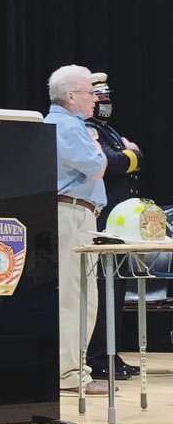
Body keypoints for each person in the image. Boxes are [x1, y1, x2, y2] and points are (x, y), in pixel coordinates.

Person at [44, 65, 109, 397]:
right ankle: (70, 372)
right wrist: (97, 144)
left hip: (75, 212)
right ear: (71, 96)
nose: (96, 99)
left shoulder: (66, 124)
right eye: (89, 93)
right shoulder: (67, 126)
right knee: (76, 296)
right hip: (69, 212)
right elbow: (97, 166)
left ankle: (73, 368)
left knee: (82, 294)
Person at [85, 71, 142, 381]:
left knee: (116, 289)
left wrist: (129, 155)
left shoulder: (108, 130)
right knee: (101, 291)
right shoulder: (86, 129)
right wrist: (129, 154)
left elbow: (134, 156)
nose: (105, 102)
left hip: (116, 223)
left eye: (108, 97)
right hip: (100, 220)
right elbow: (111, 163)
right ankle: (97, 357)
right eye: (99, 97)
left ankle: (111, 353)